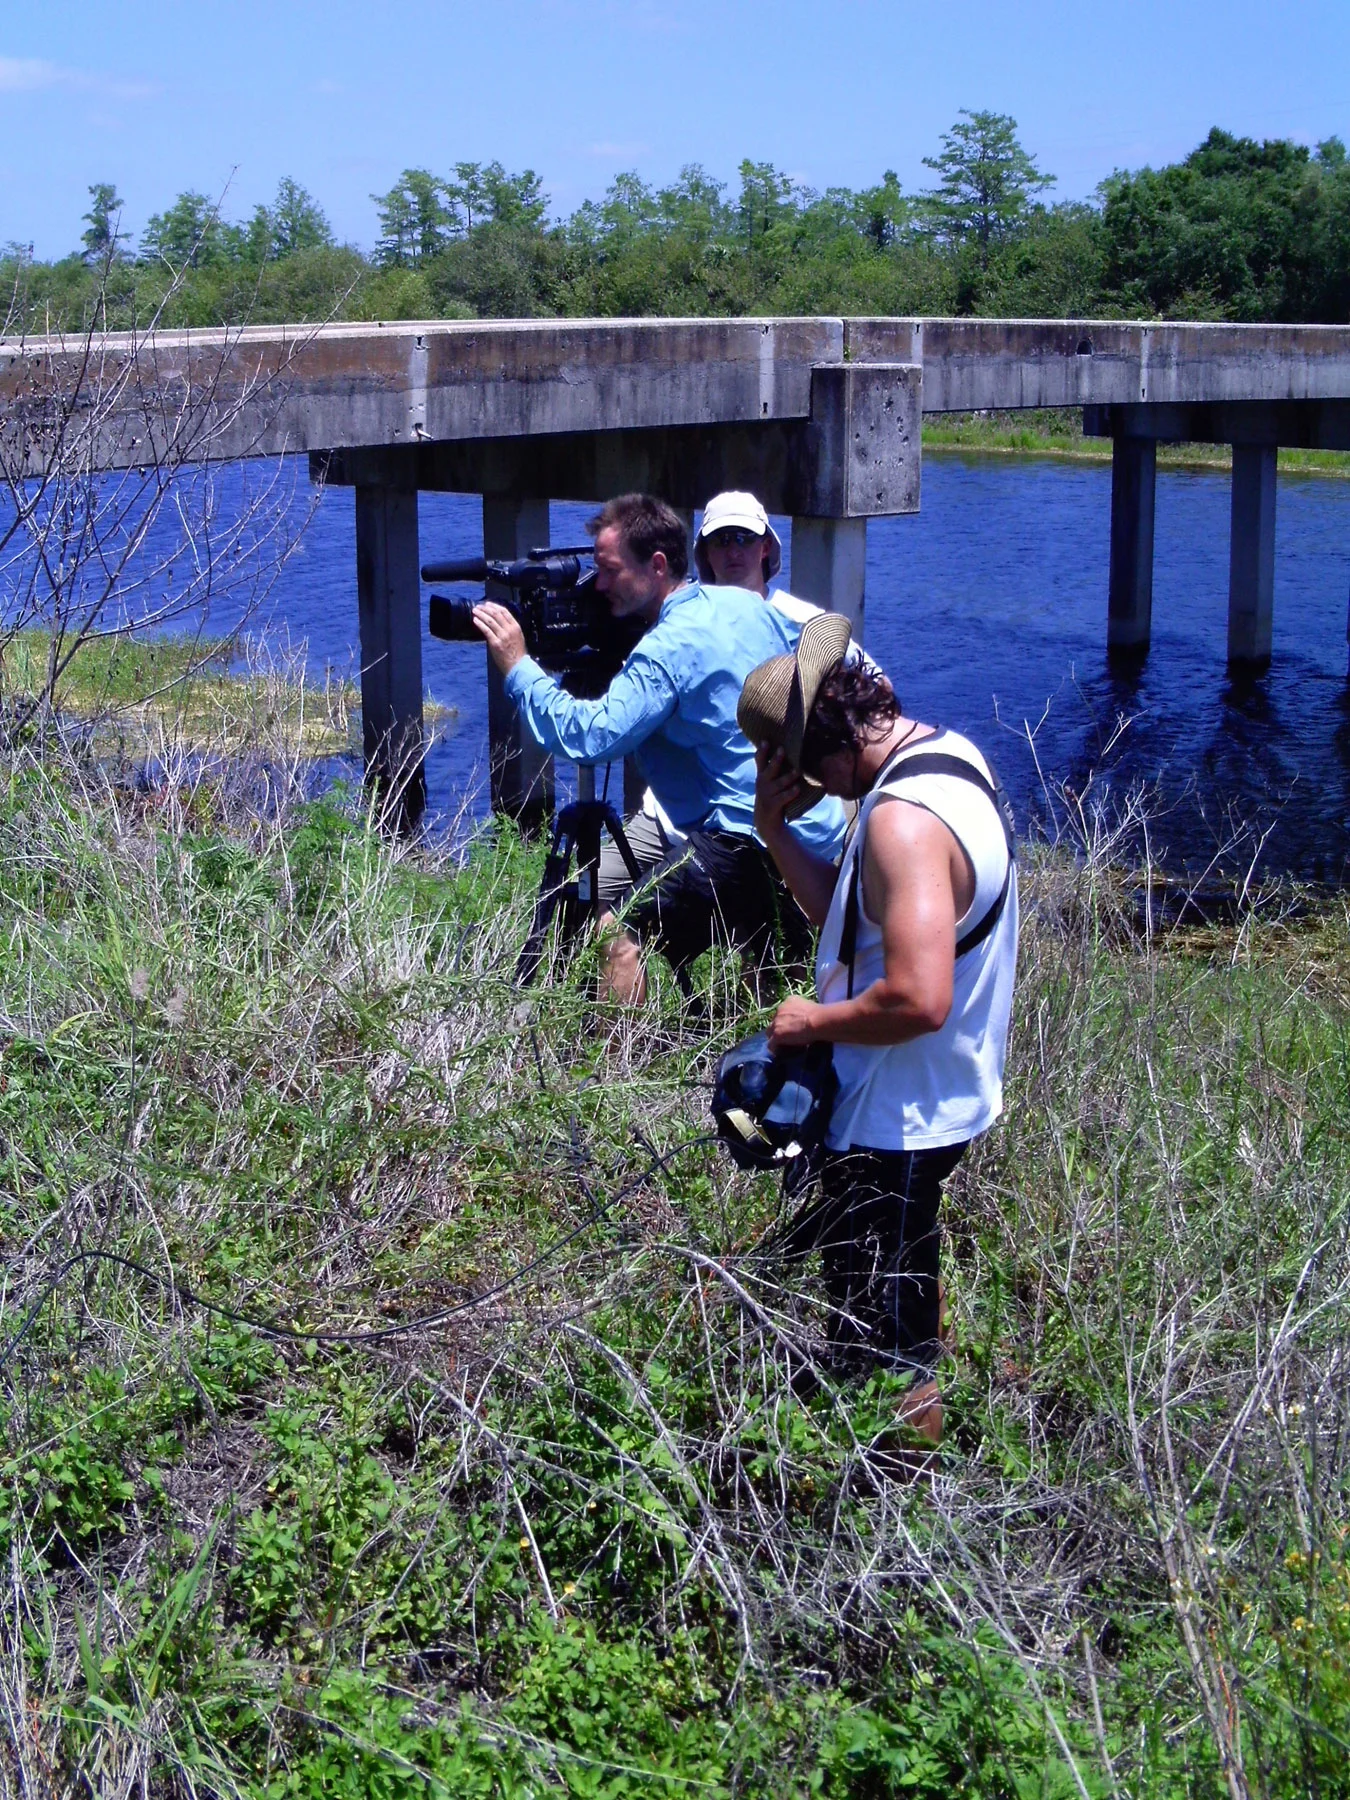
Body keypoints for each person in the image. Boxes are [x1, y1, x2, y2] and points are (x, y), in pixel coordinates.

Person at [738, 613, 1018, 1453]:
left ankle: (902, 1520)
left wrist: (810, 1020)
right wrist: (775, 831)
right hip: (937, 1093)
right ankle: (889, 1458)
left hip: (897, 1115)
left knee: (888, 1344)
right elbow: (862, 924)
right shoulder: (945, 758)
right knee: (889, 1293)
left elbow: (919, 997)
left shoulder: (898, 820)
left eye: (792, 773)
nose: (800, 787)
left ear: (817, 752)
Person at [473, 493, 846, 1002]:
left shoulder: (666, 649)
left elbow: (591, 737)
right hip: (814, 827)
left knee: (617, 928)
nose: (598, 586)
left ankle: (616, 1069)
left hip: (748, 839)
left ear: (656, 566)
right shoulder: (742, 603)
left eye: (608, 571)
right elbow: (814, 659)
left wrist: (518, 667)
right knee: (773, 970)